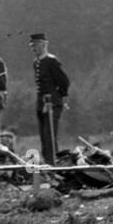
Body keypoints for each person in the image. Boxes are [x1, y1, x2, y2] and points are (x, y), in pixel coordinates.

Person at [30, 32, 69, 163]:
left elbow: (64, 82)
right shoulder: (36, 62)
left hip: (52, 103)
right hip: (41, 104)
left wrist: (60, 96)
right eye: (32, 46)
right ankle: (48, 163)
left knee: (50, 136)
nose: (33, 48)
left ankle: (54, 164)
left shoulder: (51, 61)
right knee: (43, 136)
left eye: (36, 45)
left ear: (44, 45)